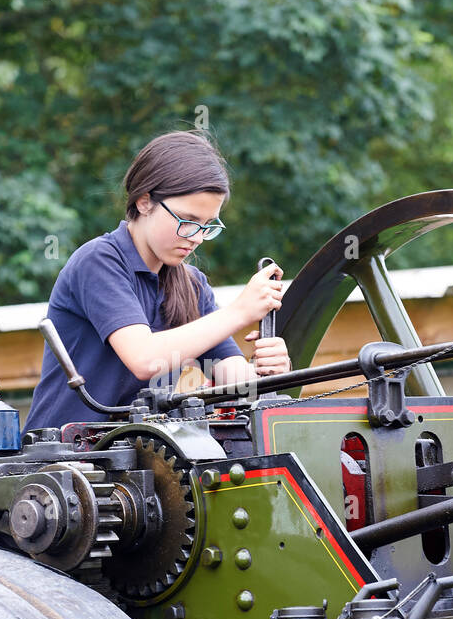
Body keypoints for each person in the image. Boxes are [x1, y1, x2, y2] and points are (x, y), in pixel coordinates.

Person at [24, 130, 291, 431]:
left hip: (141, 457)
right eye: (187, 221)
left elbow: (236, 385)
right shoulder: (98, 261)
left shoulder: (193, 285)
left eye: (208, 226)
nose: (198, 238)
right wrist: (240, 312)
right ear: (144, 202)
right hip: (59, 459)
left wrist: (268, 374)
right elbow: (144, 359)